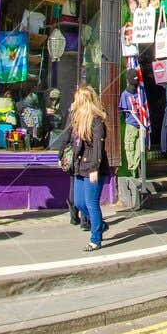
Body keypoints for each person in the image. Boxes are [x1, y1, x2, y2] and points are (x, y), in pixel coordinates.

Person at [67, 86, 110, 249]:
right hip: (80, 166)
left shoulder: (97, 121)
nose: (74, 103)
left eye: (77, 100)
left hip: (92, 167)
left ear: (84, 101)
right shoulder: (77, 119)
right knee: (79, 203)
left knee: (91, 203)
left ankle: (95, 239)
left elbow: (98, 147)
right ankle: (100, 225)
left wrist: (95, 168)